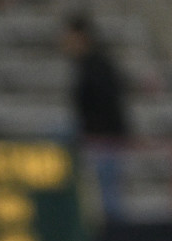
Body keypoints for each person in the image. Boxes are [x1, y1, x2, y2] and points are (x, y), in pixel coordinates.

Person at [62, 12, 130, 219]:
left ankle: (116, 238)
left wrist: (90, 132)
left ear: (80, 36)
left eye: (68, 36)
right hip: (99, 137)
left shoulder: (97, 65)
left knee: (109, 197)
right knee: (105, 195)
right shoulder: (87, 64)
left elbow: (107, 102)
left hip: (103, 139)